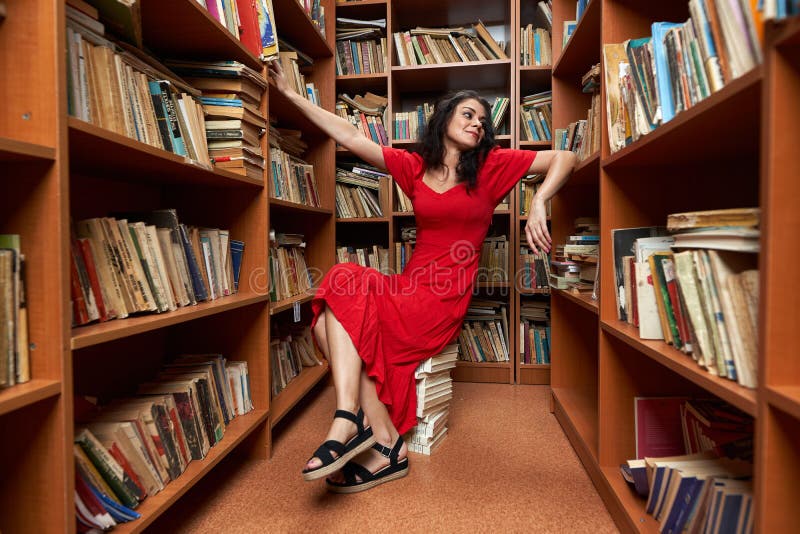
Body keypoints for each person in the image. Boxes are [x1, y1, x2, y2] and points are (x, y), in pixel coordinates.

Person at [267, 59, 576, 493]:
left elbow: (566, 155)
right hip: (409, 284)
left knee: (336, 312)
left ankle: (354, 428)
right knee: (328, 309)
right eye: (468, 114)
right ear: (444, 117)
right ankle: (381, 439)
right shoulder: (414, 167)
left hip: (443, 297)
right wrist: (291, 96)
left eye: (484, 121)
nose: (478, 125)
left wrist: (540, 200)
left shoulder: (492, 167)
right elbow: (351, 135)